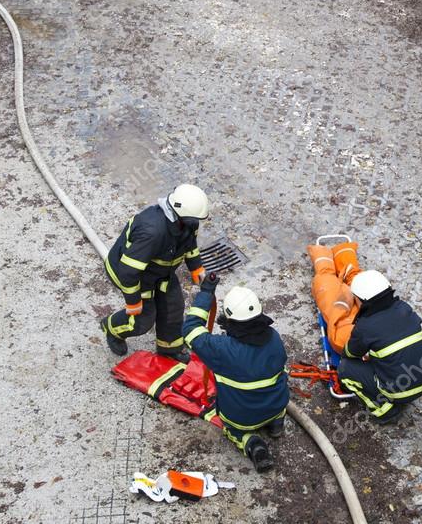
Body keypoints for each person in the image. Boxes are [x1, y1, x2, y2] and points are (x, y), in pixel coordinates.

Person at [183, 276, 289, 473]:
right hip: (277, 406)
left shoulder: (221, 349)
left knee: (232, 428)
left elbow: (190, 330)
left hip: (241, 418)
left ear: (229, 318)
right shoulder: (274, 337)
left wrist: (206, 293)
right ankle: (276, 425)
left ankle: (253, 445)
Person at [101, 184, 209, 363]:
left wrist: (196, 268)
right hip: (134, 276)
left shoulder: (188, 222)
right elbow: (128, 271)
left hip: (161, 273)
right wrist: (134, 301)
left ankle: (169, 348)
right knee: (143, 320)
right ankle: (111, 328)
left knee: (173, 307)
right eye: (193, 219)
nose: (196, 223)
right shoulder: (153, 232)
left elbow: (190, 245)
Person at [337, 270, 422, 423]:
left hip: (400, 391)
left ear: (362, 301)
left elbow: (350, 353)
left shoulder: (365, 327)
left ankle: (385, 412)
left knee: (345, 368)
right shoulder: (404, 308)